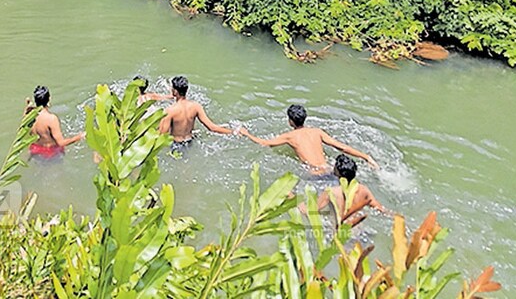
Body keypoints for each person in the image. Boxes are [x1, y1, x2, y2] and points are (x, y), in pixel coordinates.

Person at [238, 105, 379, 176]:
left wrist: (247, 134)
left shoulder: (290, 136)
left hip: (314, 175)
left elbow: (264, 143)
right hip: (330, 170)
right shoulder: (317, 132)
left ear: (290, 121)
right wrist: (366, 157)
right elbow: (341, 147)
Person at [303, 155, 388, 227]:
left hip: (342, 233)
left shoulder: (331, 192)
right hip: (360, 231)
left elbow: (310, 213)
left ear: (337, 172)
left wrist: (292, 196)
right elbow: (381, 210)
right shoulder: (363, 190)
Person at [158, 76, 232, 152]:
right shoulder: (196, 106)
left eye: (172, 88)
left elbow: (162, 135)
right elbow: (212, 127)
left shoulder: (170, 111)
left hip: (176, 145)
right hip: (189, 141)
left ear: (175, 92)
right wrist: (233, 132)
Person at [27, 86, 85, 159]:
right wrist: (79, 136)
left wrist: (27, 107)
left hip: (35, 150)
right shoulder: (51, 119)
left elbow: (23, 131)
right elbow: (61, 143)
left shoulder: (29, 116)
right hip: (50, 153)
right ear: (49, 99)